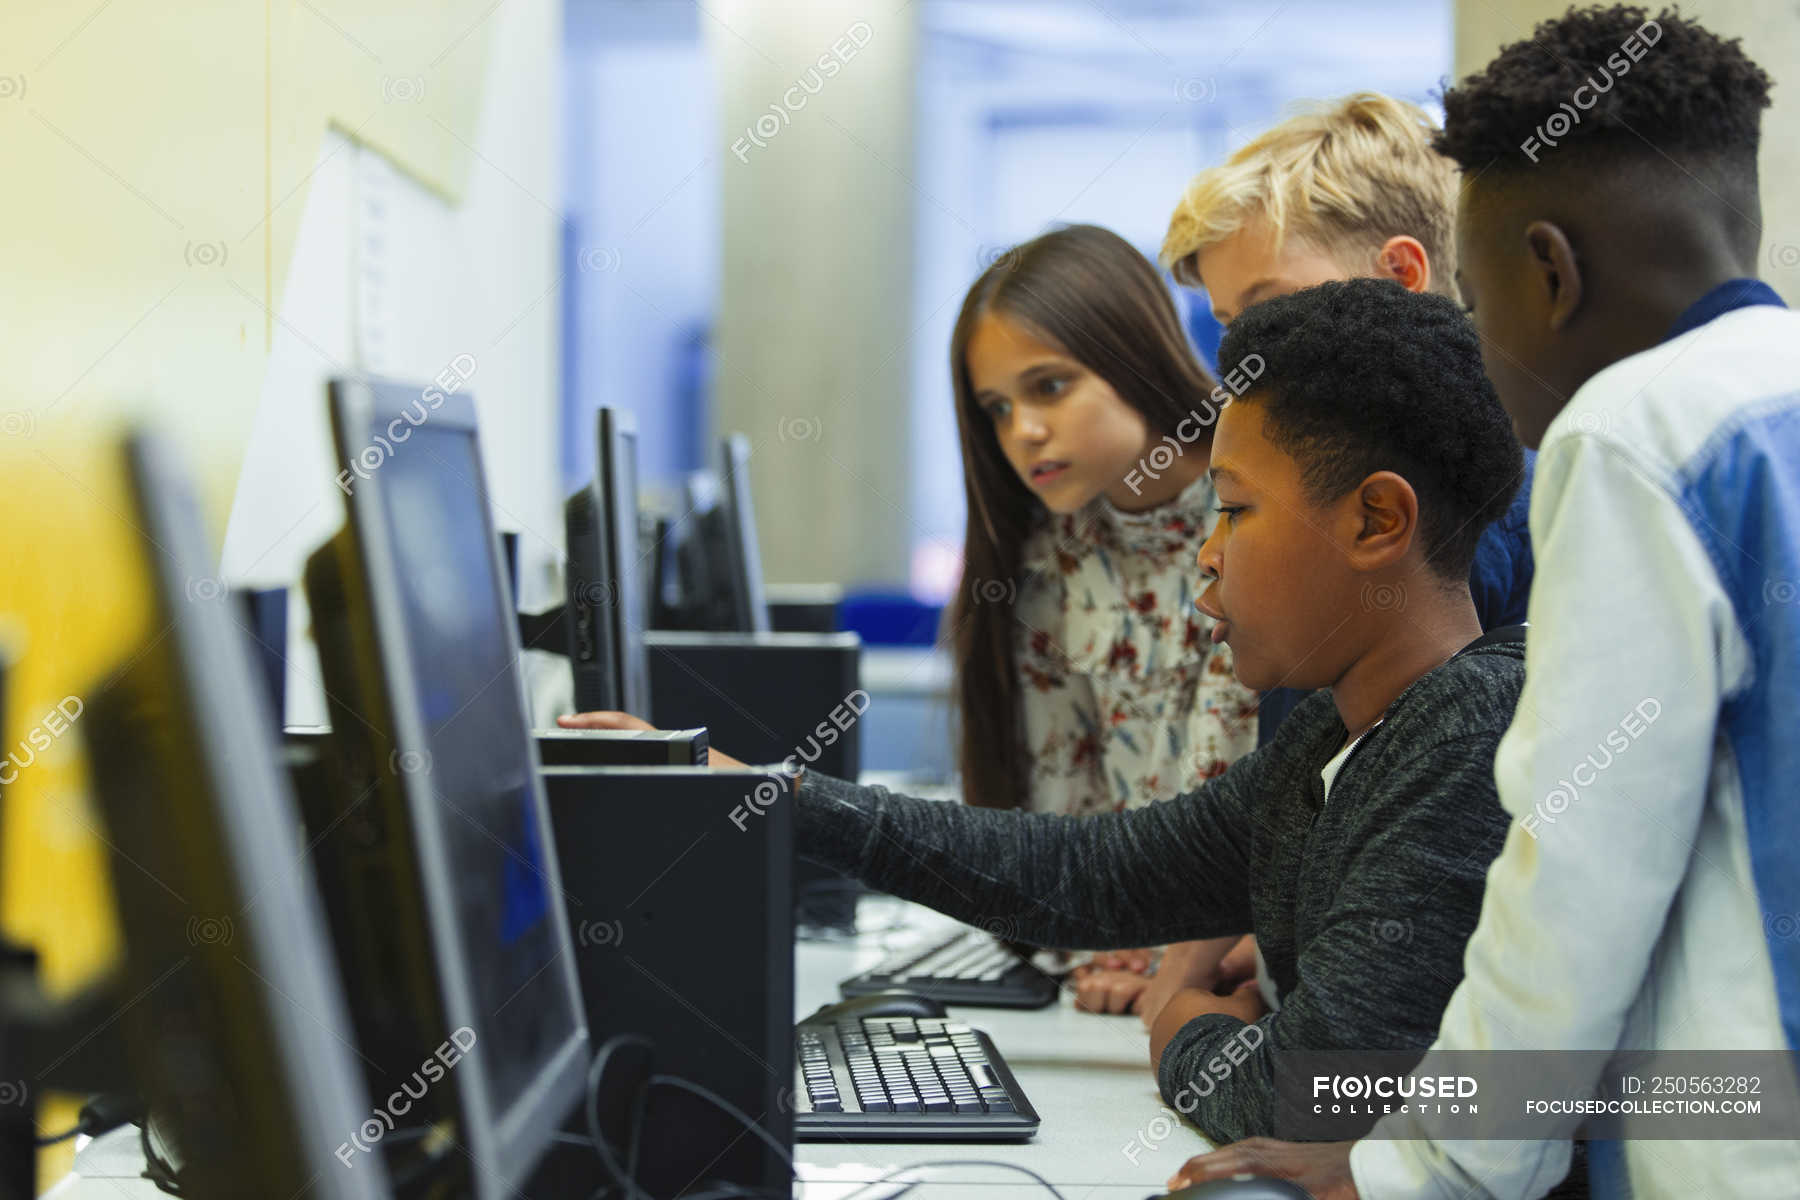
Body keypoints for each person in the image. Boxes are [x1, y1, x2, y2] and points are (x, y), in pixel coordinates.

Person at [564, 278, 1537, 1145]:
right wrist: (777, 798)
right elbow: (1086, 874)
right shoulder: (1340, 738)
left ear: (1377, 521)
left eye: (1234, 510)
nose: (1206, 552)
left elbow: (1309, 1098)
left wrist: (1181, 1020)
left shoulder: (1462, 744)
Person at [1166, 6, 1800, 1196]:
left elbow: (1577, 871)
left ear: (1548, 272)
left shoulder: (1631, 436)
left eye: (1478, 294)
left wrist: (1413, 1169)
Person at [1079, 89, 1542, 1028]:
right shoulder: (1329, 528)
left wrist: (1184, 1011)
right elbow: (1296, 808)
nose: (1242, 369)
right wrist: (1239, 944)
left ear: (1403, 277)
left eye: (1269, 312)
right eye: (1229, 332)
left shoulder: (1472, 530)